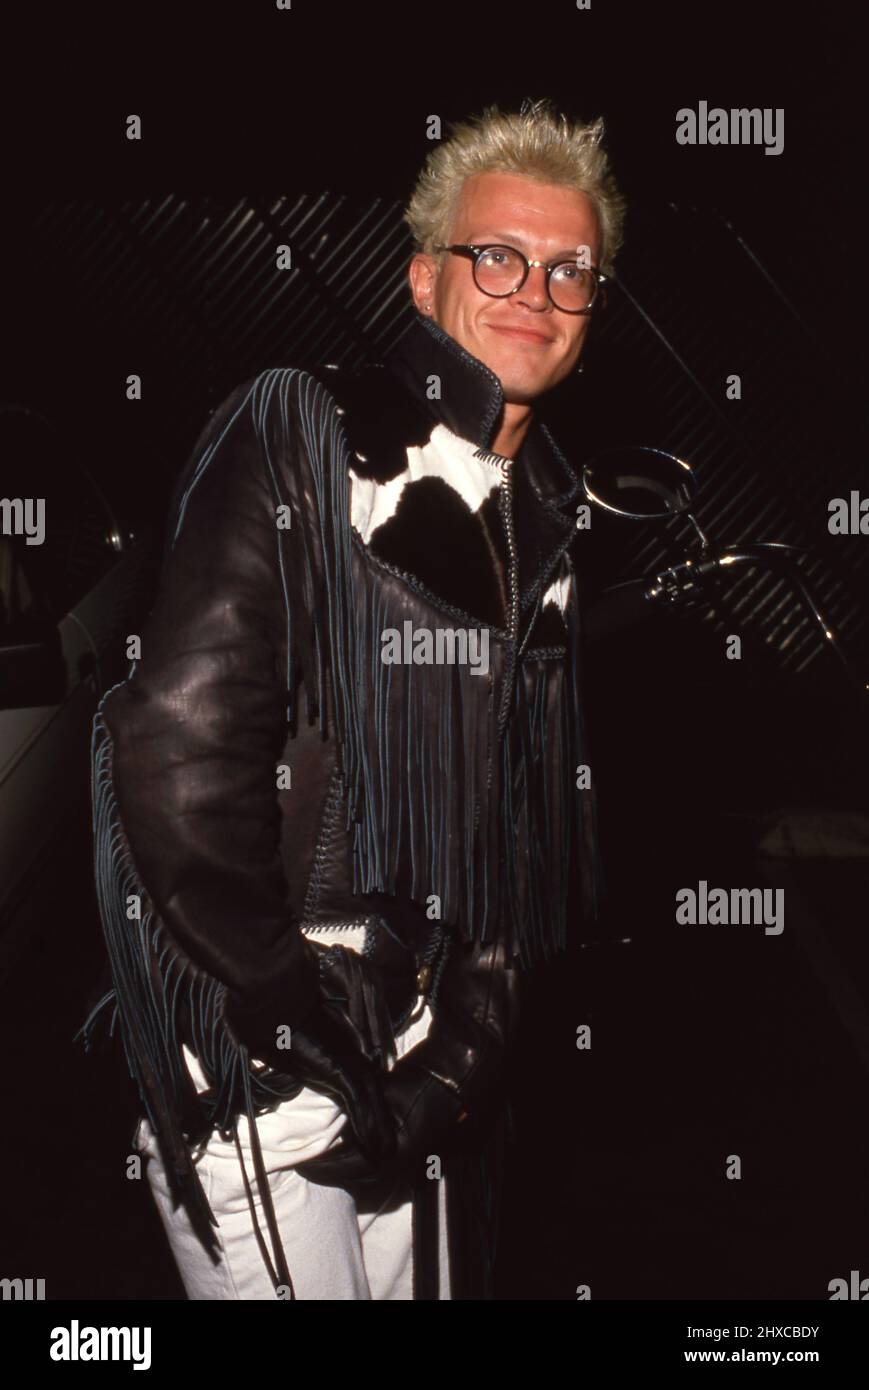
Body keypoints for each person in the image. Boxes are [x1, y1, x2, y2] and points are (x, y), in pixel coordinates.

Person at [79, 97, 626, 1300]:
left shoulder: (547, 523)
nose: (531, 290)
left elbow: (518, 835)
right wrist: (292, 1025)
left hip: (416, 1060)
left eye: (567, 268)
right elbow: (177, 756)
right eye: (496, 255)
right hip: (266, 1065)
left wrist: (469, 1044)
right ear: (423, 281)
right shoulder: (306, 432)